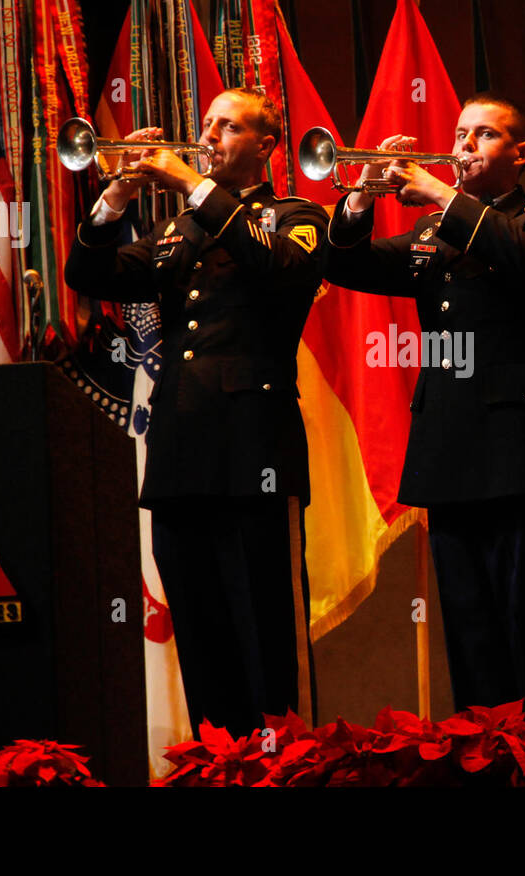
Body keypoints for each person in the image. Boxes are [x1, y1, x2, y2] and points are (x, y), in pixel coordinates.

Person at [324, 94, 525, 758]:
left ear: (519, 153)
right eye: (459, 134)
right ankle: (487, 772)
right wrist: (360, 195)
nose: (463, 145)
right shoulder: (432, 237)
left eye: (482, 135)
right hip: (451, 462)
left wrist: (441, 195)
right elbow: (344, 263)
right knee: (473, 647)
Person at [64, 88, 328, 738]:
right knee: (203, 634)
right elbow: (88, 275)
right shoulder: (177, 231)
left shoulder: (296, 214)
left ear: (265, 146)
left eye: (229, 126)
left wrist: (189, 182)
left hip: (253, 457)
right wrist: (117, 197)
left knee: (262, 633)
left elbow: (279, 267)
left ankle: (278, 770)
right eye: (206, 124)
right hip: (180, 457)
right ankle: (220, 763)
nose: (208, 136)